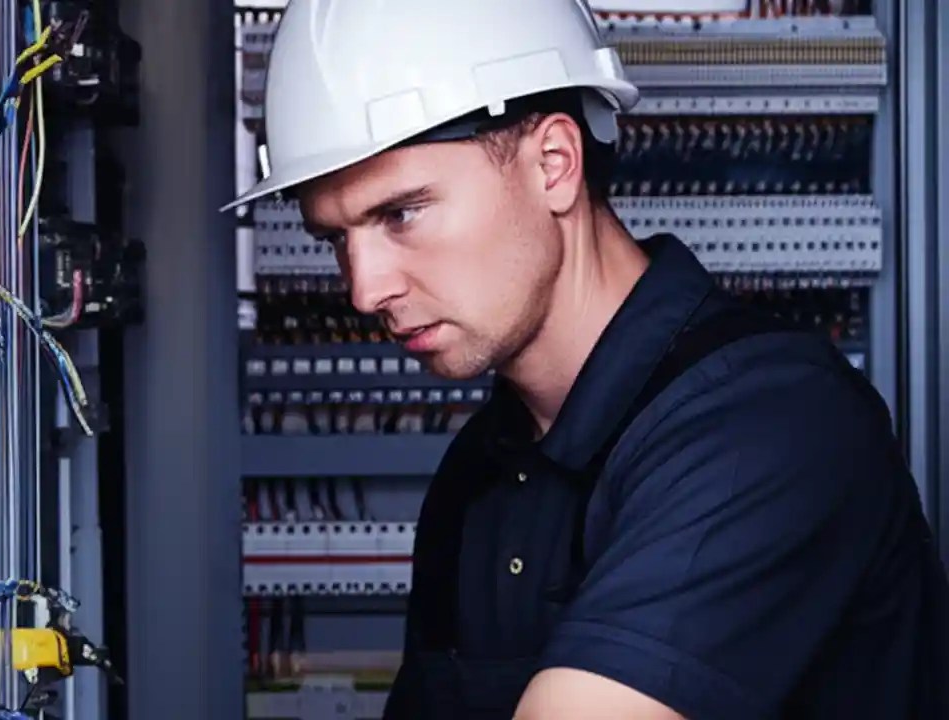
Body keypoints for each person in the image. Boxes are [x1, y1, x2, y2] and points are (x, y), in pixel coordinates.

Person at [222, 1, 949, 718]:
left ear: (554, 163)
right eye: (335, 239)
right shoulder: (478, 475)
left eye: (400, 214)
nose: (363, 288)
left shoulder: (773, 426)